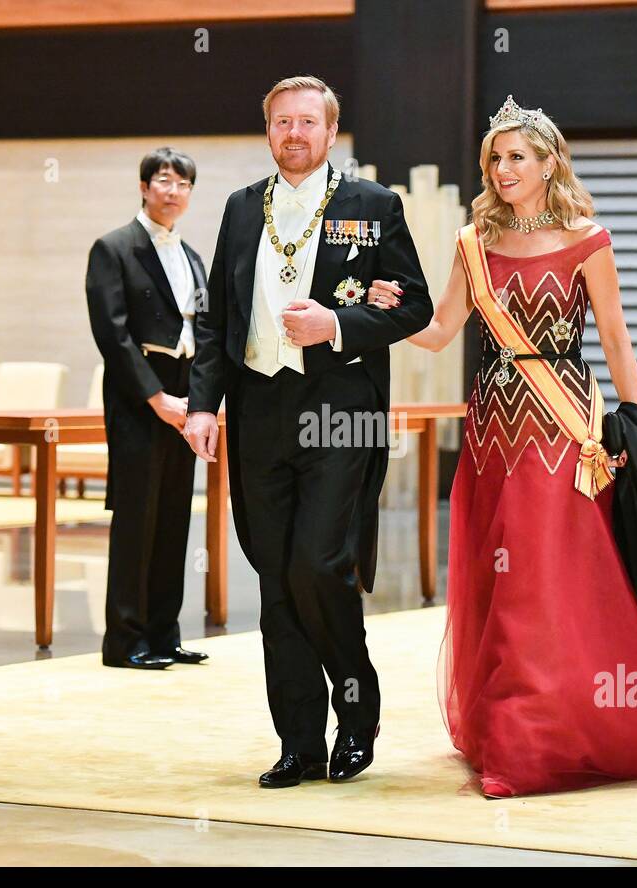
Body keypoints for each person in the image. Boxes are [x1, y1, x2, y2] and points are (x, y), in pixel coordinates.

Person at [371, 96, 637, 798]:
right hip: (493, 433)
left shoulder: (588, 239)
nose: (503, 170)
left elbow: (617, 336)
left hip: (565, 431)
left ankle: (540, 742)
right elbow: (442, 331)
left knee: (550, 585)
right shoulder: (474, 243)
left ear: (548, 163)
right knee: (501, 585)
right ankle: (512, 734)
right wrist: (387, 313)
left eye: (517, 157)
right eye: (495, 159)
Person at [183, 76, 431, 788]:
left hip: (340, 408)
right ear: (268, 131)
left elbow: (411, 304)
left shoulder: (372, 206)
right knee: (275, 577)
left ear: (330, 133)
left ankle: (357, 705)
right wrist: (204, 404)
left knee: (317, 564)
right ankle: (298, 741)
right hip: (258, 412)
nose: (294, 133)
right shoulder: (239, 208)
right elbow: (216, 320)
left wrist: (340, 325)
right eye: (281, 122)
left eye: (307, 122)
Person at [86, 147, 210, 670]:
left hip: (185, 393)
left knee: (175, 515)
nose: (173, 191)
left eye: (183, 184)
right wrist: (155, 397)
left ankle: (164, 633)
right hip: (141, 394)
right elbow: (112, 335)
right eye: (164, 181)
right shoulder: (113, 247)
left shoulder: (193, 256)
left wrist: (201, 402)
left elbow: (205, 330)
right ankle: (125, 639)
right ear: (143, 187)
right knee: (137, 516)